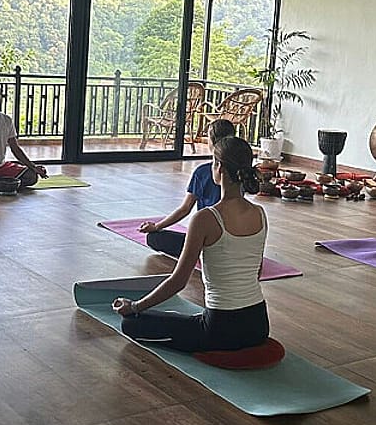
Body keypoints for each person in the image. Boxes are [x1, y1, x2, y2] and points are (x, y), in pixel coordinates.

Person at [112, 136, 269, 352]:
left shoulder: (206, 218)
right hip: (259, 325)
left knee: (131, 323)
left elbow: (178, 281)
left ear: (219, 167)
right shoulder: (260, 214)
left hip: (219, 329)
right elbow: (256, 272)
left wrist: (135, 306)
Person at [138, 118, 238, 257]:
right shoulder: (241, 173)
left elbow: (185, 209)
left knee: (153, 238)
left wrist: (157, 226)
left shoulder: (202, 172)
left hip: (206, 241)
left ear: (212, 142)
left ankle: (203, 252)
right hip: (233, 245)